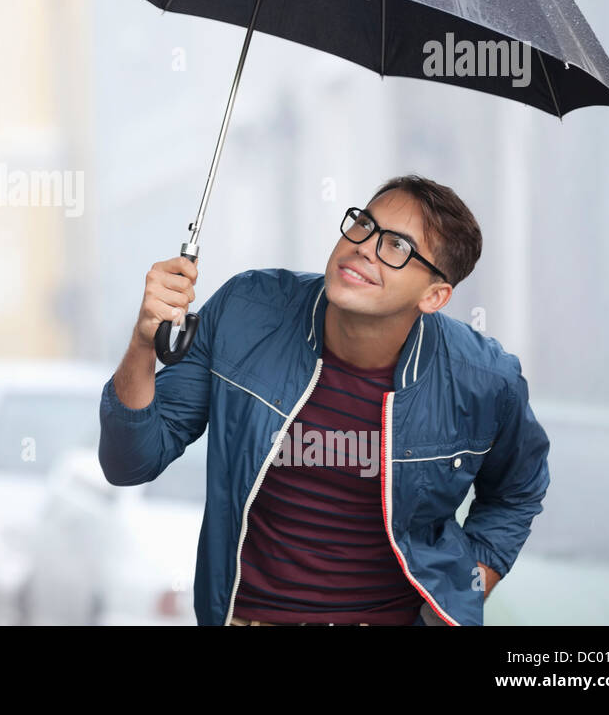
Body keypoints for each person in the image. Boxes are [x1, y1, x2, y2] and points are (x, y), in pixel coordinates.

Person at [99, 174, 550, 626]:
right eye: (364, 225)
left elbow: (517, 492)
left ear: (434, 296)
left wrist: (464, 592)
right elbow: (129, 463)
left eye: (397, 247)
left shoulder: (483, 379)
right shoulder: (248, 311)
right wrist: (143, 341)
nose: (365, 246)